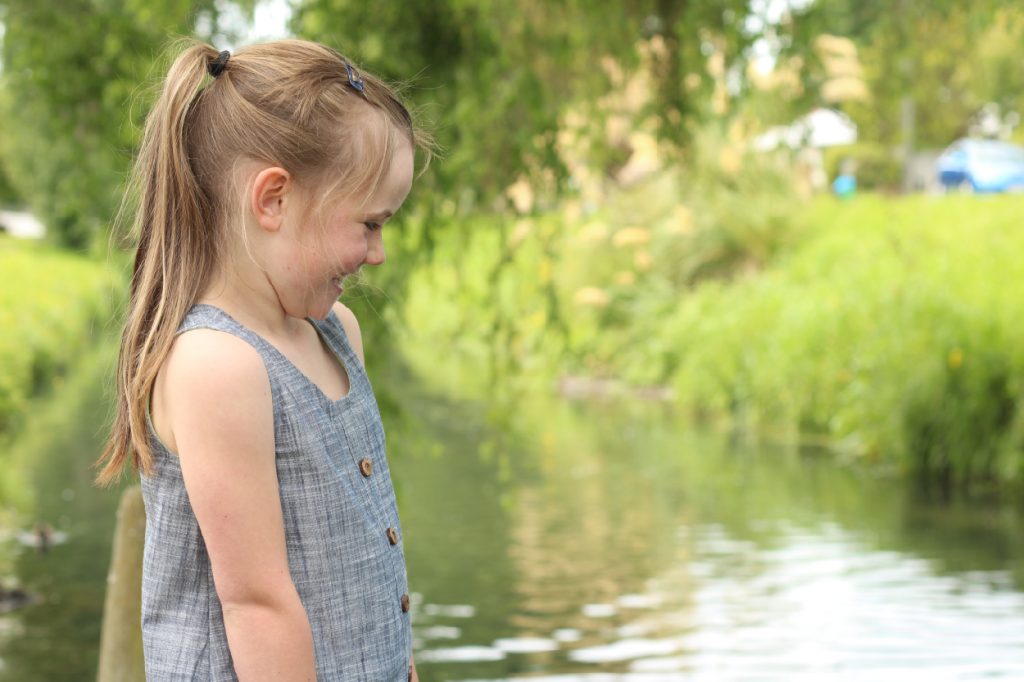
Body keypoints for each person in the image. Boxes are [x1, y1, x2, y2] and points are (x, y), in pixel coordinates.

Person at [96, 39, 433, 681]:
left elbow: (375, 560)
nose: (378, 251)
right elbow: (258, 605)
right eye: (369, 223)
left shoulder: (336, 334)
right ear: (273, 199)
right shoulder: (215, 365)